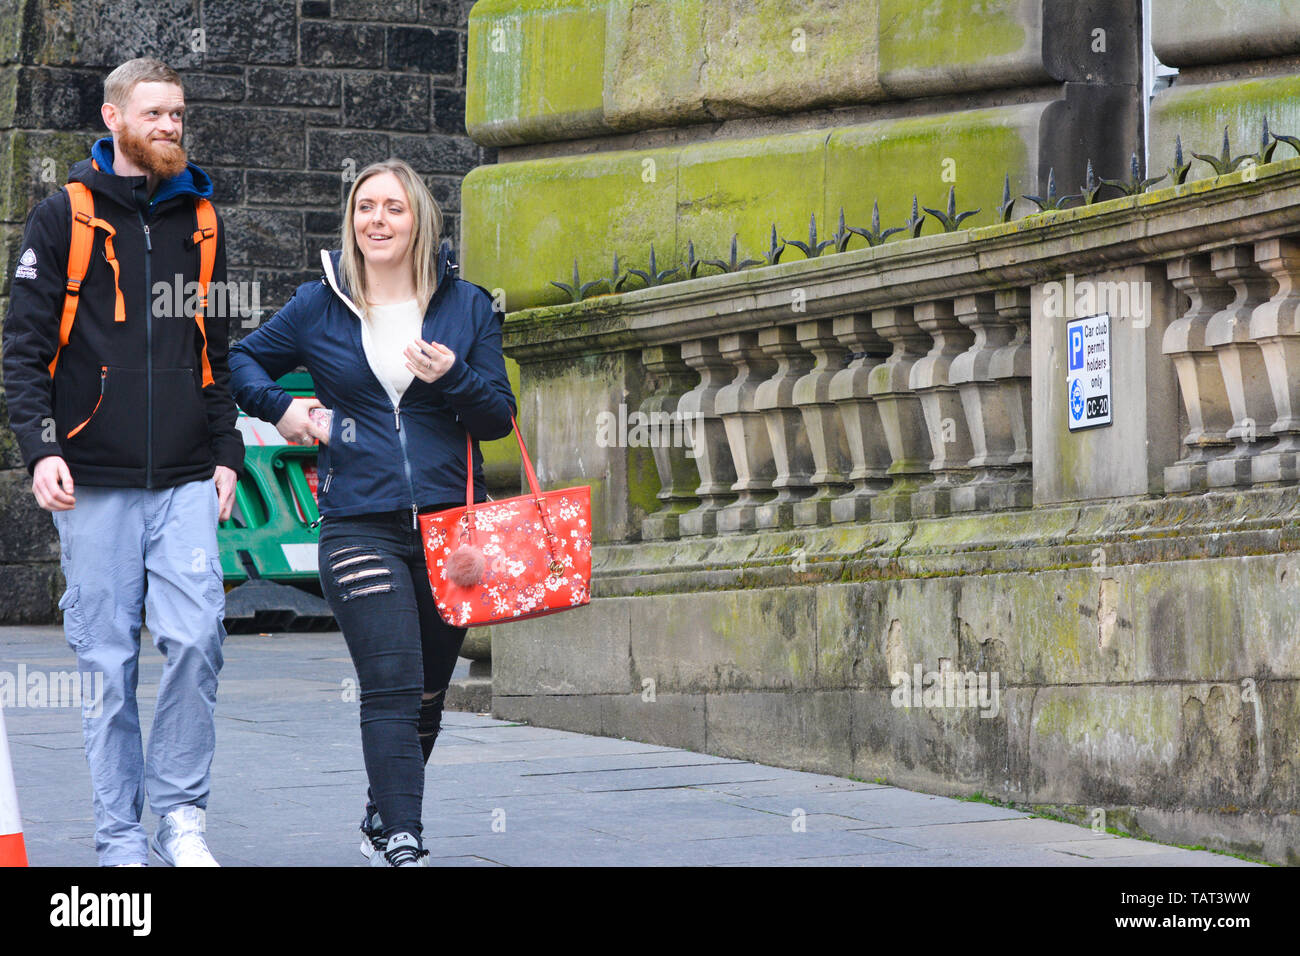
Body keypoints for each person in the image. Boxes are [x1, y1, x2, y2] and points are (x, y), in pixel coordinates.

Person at [229, 159, 515, 867]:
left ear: (420, 220)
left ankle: (384, 811)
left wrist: (452, 376)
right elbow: (240, 360)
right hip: (358, 521)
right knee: (389, 680)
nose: (377, 220)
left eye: (392, 208)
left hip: (452, 530)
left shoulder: (468, 306)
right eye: (365, 208)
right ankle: (405, 838)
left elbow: (498, 418)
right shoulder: (319, 304)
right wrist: (289, 410)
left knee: (427, 694)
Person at [1, 58, 243, 866]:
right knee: (107, 666)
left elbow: (215, 350)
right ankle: (118, 838)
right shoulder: (60, 217)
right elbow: (24, 350)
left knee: (199, 637)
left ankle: (181, 818)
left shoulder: (201, 220)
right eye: (156, 113)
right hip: (93, 481)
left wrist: (228, 453)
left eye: (179, 113)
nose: (171, 126)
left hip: (183, 476)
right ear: (114, 117)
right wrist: (39, 449)